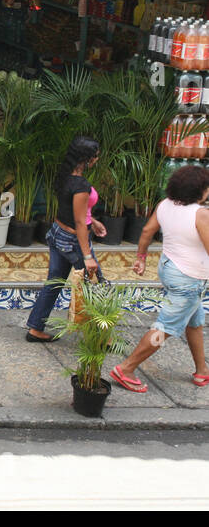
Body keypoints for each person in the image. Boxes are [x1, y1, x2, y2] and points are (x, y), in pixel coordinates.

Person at [111, 165, 209, 392]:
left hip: (170, 269)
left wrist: (141, 258)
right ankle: (126, 368)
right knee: (164, 329)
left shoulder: (165, 204)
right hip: (189, 279)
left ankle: (202, 371)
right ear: (199, 190)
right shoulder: (200, 214)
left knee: (194, 321)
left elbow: (146, 232)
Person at [26, 135, 107, 342]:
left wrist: (93, 221)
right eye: (95, 156)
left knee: (53, 283)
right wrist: (87, 256)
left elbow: (73, 211)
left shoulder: (64, 176)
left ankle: (35, 328)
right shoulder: (81, 185)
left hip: (57, 233)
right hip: (73, 241)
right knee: (99, 286)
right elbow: (79, 223)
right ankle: (102, 338)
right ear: (87, 158)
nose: (97, 160)